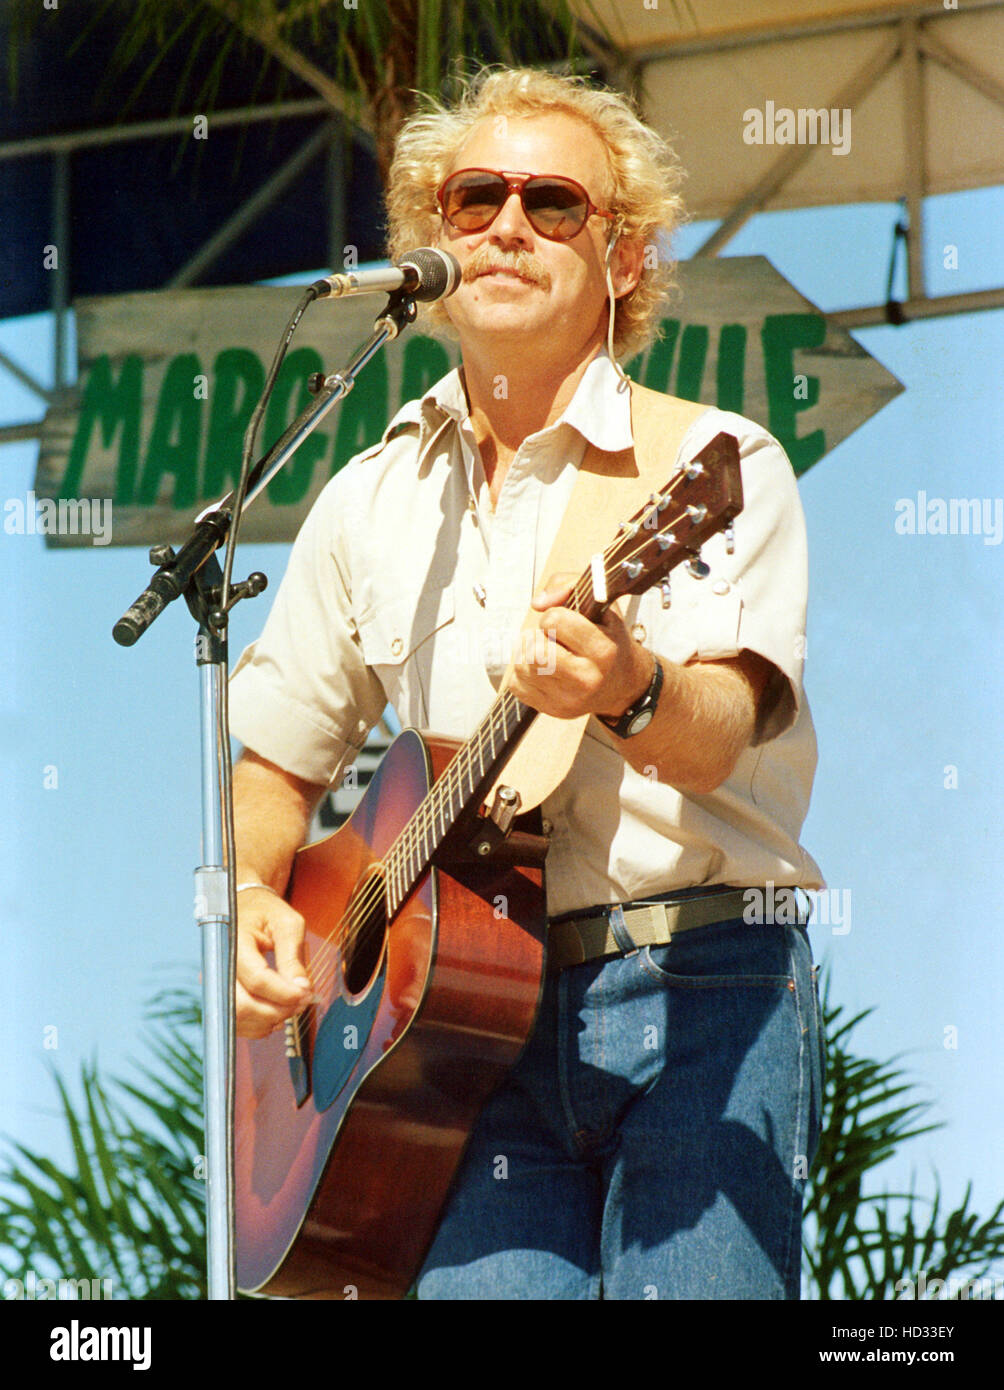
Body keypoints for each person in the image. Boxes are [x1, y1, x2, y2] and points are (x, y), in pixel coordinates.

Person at [228, 66, 825, 1300]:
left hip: (700, 984)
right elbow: (270, 768)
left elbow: (720, 730)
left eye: (552, 203)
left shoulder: (712, 463)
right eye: (474, 198)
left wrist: (631, 686)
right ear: (430, 237)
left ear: (624, 259)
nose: (507, 225)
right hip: (451, 1031)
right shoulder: (365, 501)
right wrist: (244, 896)